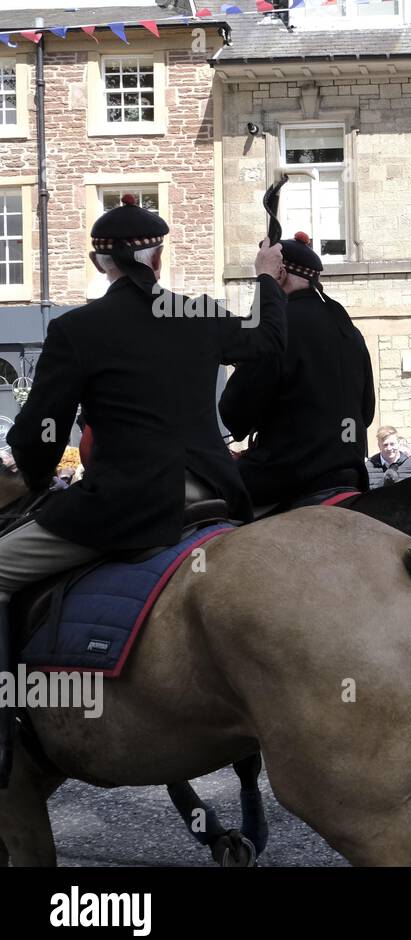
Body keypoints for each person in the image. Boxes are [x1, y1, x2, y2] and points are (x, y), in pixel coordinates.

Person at [0, 194, 287, 788]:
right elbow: (266, 344)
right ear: (157, 258)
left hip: (128, 504)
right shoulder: (200, 314)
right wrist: (265, 278)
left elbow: (38, 432)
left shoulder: (77, 328)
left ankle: (5, 721)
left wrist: (36, 482)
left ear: (103, 264)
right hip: (214, 492)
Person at [219, 230, 374, 512]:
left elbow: (234, 414)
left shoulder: (276, 330)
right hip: (350, 473)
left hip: (288, 475)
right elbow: (366, 411)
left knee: (203, 494)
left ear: (278, 274)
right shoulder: (350, 331)